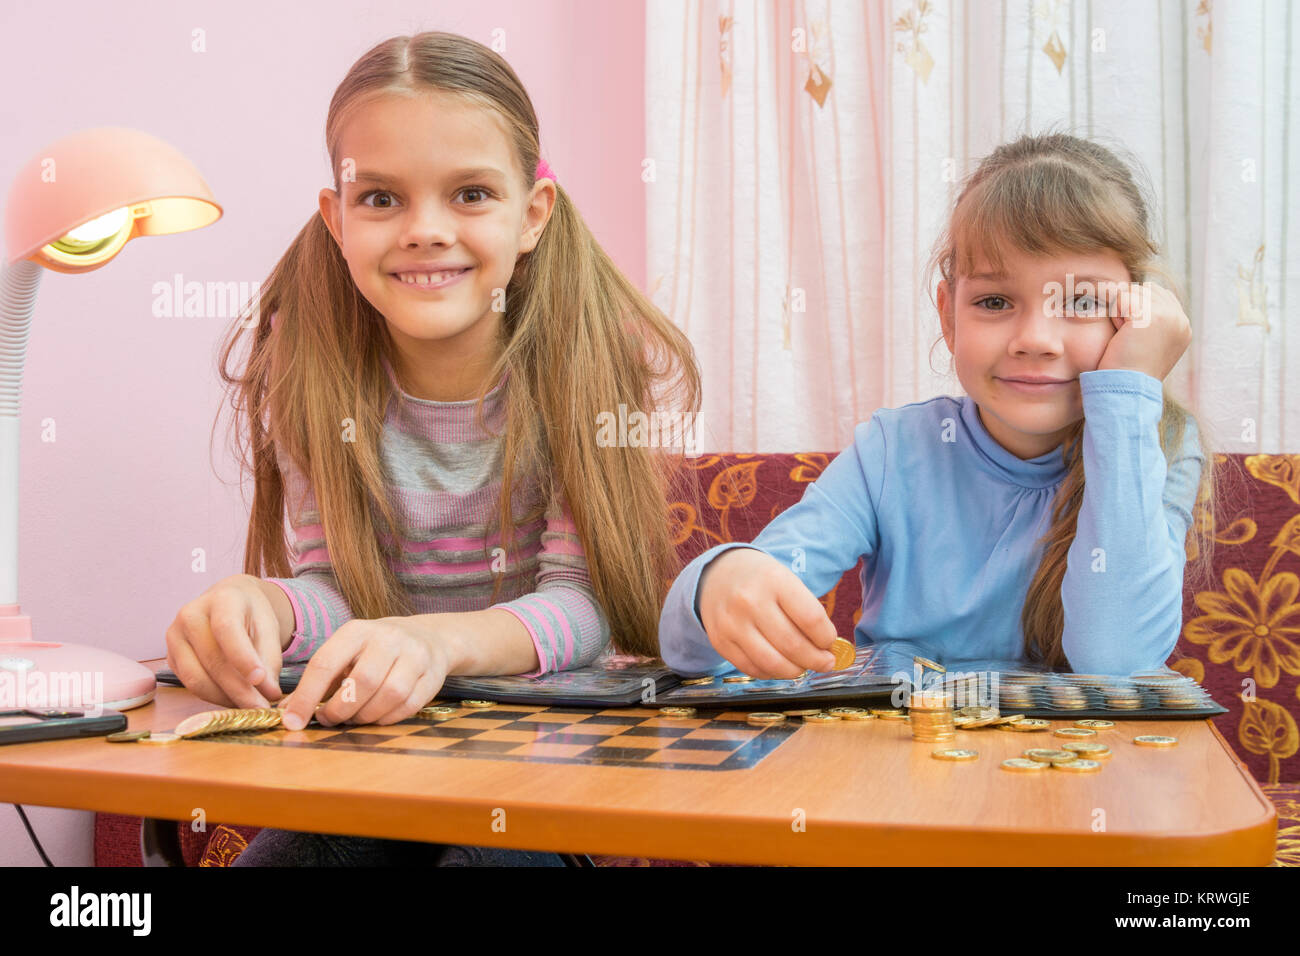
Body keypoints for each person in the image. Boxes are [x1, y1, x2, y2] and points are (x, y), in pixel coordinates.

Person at [164, 30, 700, 866]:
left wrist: (435, 642)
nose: (424, 230)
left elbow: (586, 611)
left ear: (532, 215)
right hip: (381, 750)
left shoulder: (592, 359)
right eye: (381, 199)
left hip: (552, 755)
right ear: (336, 220)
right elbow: (337, 587)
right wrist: (262, 609)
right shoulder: (306, 365)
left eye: (471, 194)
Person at [659, 131, 1224, 684]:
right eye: (995, 301)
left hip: (1082, 773)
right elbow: (695, 650)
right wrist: (716, 584)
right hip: (901, 763)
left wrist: (1128, 393)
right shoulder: (893, 451)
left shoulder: (1161, 446)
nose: (1035, 338)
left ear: (1136, 316)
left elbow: (1115, 662)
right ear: (948, 315)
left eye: (1080, 301)